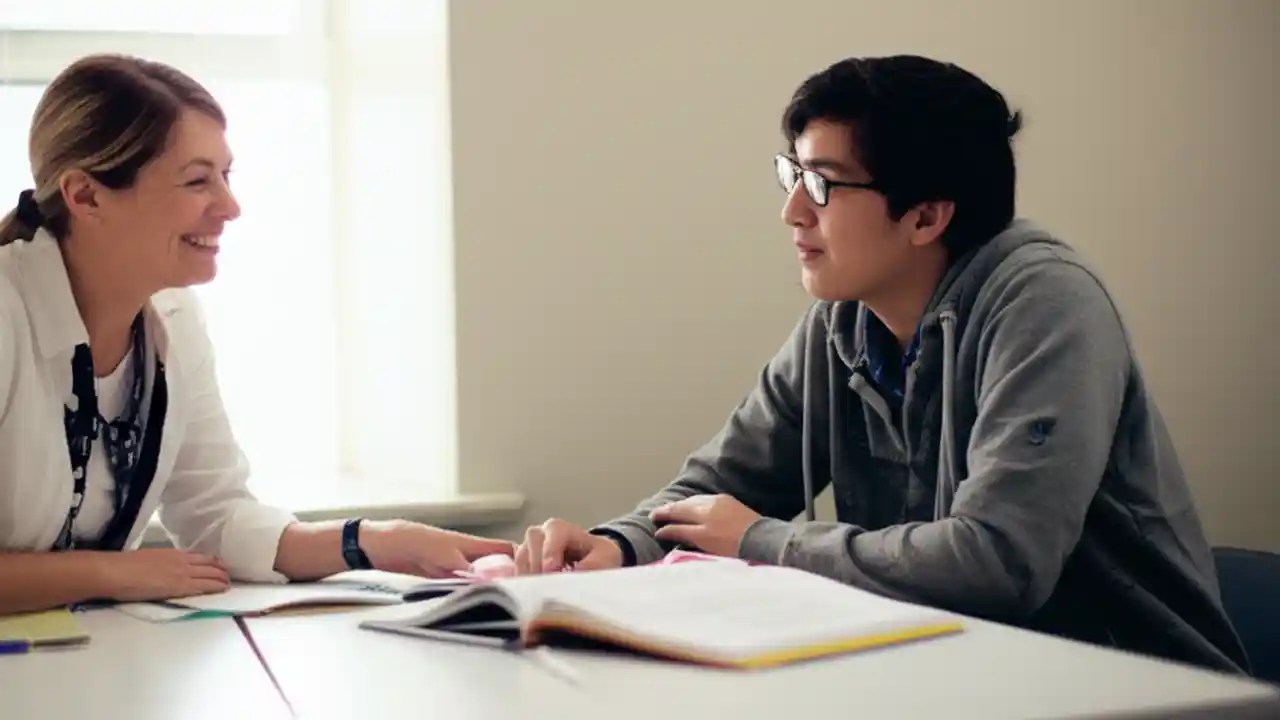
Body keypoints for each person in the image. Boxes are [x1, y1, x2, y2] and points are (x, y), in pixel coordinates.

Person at [514, 55, 1250, 674]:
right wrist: (616, 543)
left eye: (824, 183)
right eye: (791, 174)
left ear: (927, 216)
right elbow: (718, 487)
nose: (793, 212)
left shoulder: (1046, 306)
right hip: (954, 678)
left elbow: (999, 564)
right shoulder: (844, 318)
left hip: (1133, 687)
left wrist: (760, 541)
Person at [0, 54, 512, 616]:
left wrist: (374, 541)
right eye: (198, 181)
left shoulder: (171, 318)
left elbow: (215, 515)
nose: (230, 206)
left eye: (226, 175)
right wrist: (107, 572)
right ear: (86, 196)